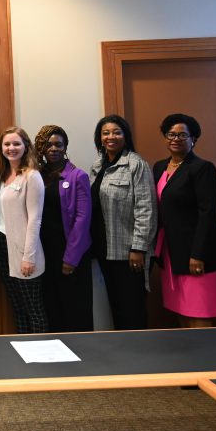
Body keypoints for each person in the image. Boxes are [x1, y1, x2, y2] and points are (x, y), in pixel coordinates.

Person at [151, 114, 216, 328]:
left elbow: (208, 213)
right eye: (171, 134)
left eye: (182, 135)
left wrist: (197, 254)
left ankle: (206, 352)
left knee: (199, 311)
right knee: (180, 308)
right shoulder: (159, 167)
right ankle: (189, 351)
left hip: (196, 252)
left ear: (193, 139)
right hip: (171, 251)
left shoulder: (202, 168)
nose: (176, 138)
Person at [90, 115, 156, 330]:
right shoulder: (97, 166)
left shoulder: (136, 164)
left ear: (125, 136)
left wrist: (138, 248)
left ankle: (139, 349)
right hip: (105, 249)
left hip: (129, 253)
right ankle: (122, 350)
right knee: (116, 307)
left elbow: (146, 209)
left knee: (132, 310)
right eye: (106, 133)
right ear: (100, 138)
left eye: (117, 132)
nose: (111, 137)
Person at [34, 124, 93, 332]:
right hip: (45, 251)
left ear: (65, 147)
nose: (53, 149)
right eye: (48, 145)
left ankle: (81, 349)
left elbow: (82, 219)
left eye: (58, 144)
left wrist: (71, 258)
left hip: (70, 252)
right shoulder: (36, 176)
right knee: (51, 306)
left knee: (74, 308)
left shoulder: (78, 176)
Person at [0, 126, 47, 334]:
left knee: (33, 309)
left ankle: (40, 350)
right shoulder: (0, 176)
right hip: (2, 248)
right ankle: (24, 348)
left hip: (24, 250)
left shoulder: (31, 176)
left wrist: (28, 257)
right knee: (17, 307)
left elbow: (35, 219)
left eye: (16, 143)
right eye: (7, 144)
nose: (11, 148)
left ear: (26, 147)